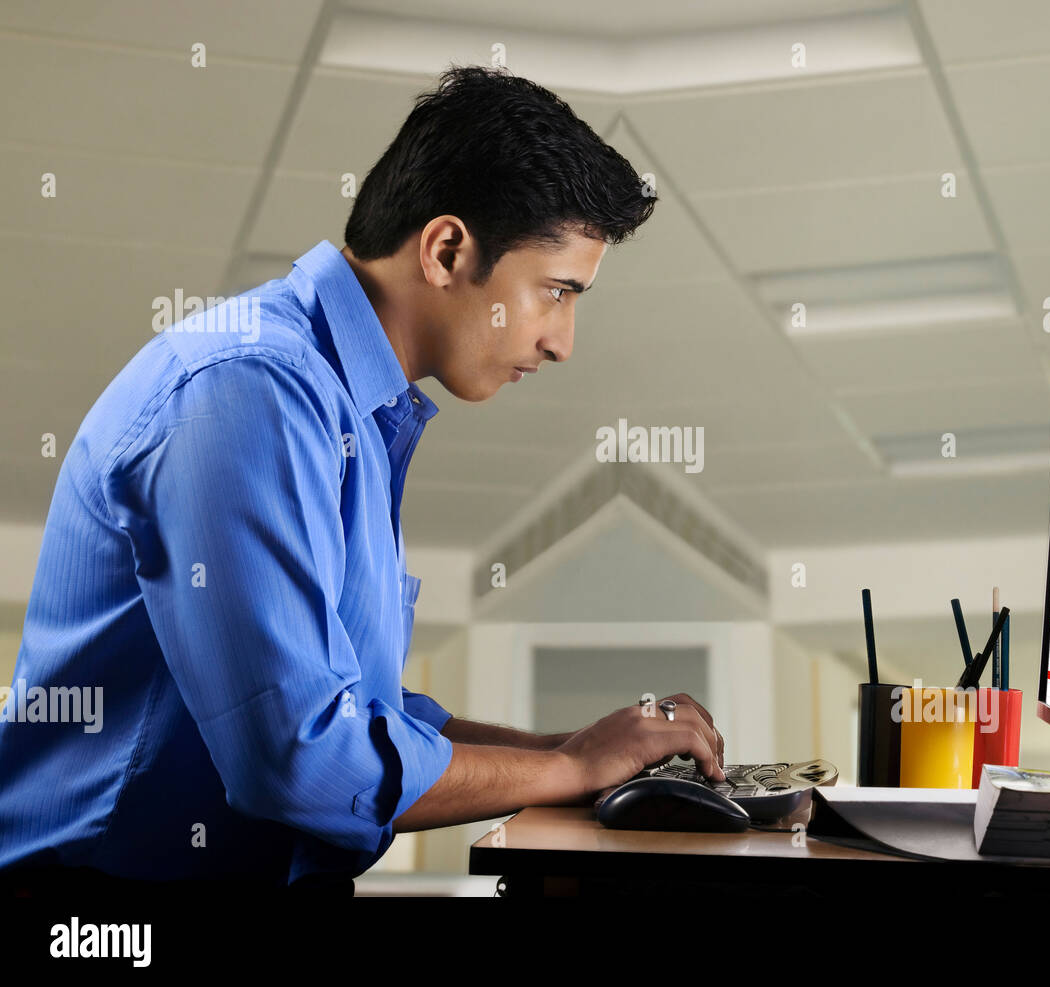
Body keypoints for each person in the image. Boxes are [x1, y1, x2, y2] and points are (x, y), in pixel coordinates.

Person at [0, 65, 723, 898]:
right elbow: (300, 756)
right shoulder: (251, 389)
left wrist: (567, 752)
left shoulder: (342, 404)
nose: (563, 341)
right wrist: (566, 766)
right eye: (556, 292)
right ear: (447, 250)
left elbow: (360, 707)